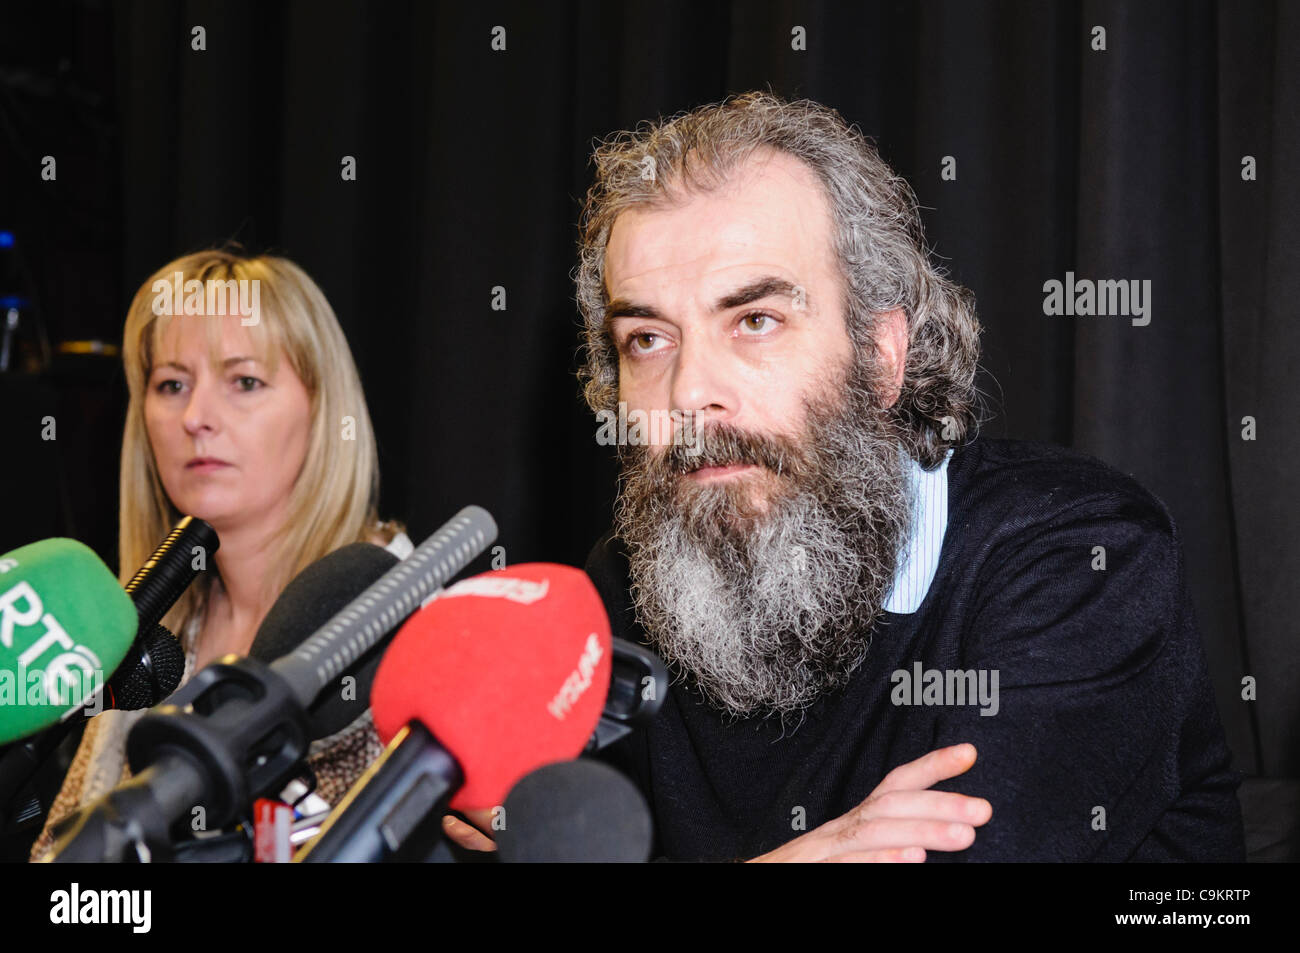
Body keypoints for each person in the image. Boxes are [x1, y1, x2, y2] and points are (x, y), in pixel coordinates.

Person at [564, 92, 1243, 862]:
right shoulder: (623, 589)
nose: (687, 393)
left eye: (754, 320)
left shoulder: (1085, 556)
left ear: (882, 356)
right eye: (648, 338)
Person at [30, 249, 408, 861]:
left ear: (321, 410)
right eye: (172, 384)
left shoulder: (397, 615)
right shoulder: (154, 631)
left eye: (245, 382)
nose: (196, 418)